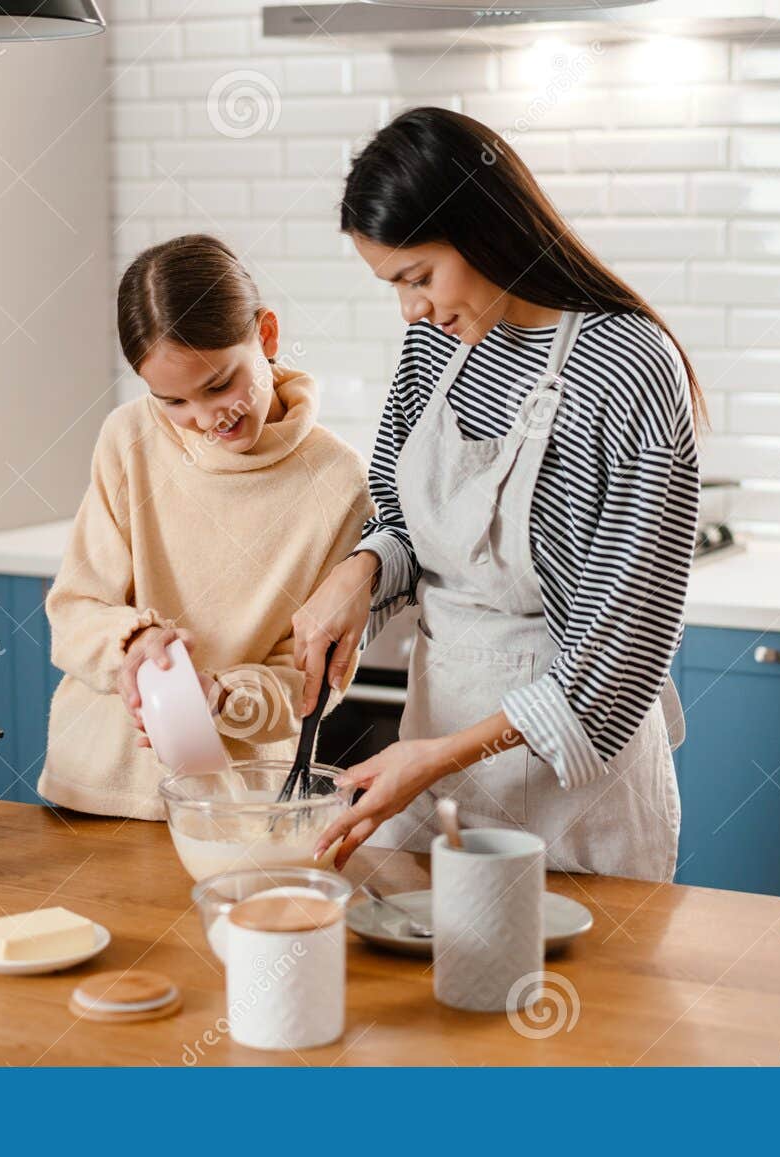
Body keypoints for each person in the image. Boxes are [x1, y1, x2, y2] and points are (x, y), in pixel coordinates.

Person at [296, 108, 703, 881]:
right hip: (430, 769)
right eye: (395, 285)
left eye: (419, 277)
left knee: (579, 996)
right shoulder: (436, 342)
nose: (412, 309)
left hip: (575, 796)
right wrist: (360, 574)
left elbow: (622, 653)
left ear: (486, 228)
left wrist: (439, 756)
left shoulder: (630, 367)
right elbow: (406, 522)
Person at [39, 234, 371, 818]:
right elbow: (74, 610)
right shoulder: (129, 439)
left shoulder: (338, 482)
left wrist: (222, 698)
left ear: (266, 337)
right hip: (93, 792)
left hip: (235, 810)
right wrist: (136, 645)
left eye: (219, 384)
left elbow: (317, 679)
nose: (205, 418)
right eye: (173, 401)